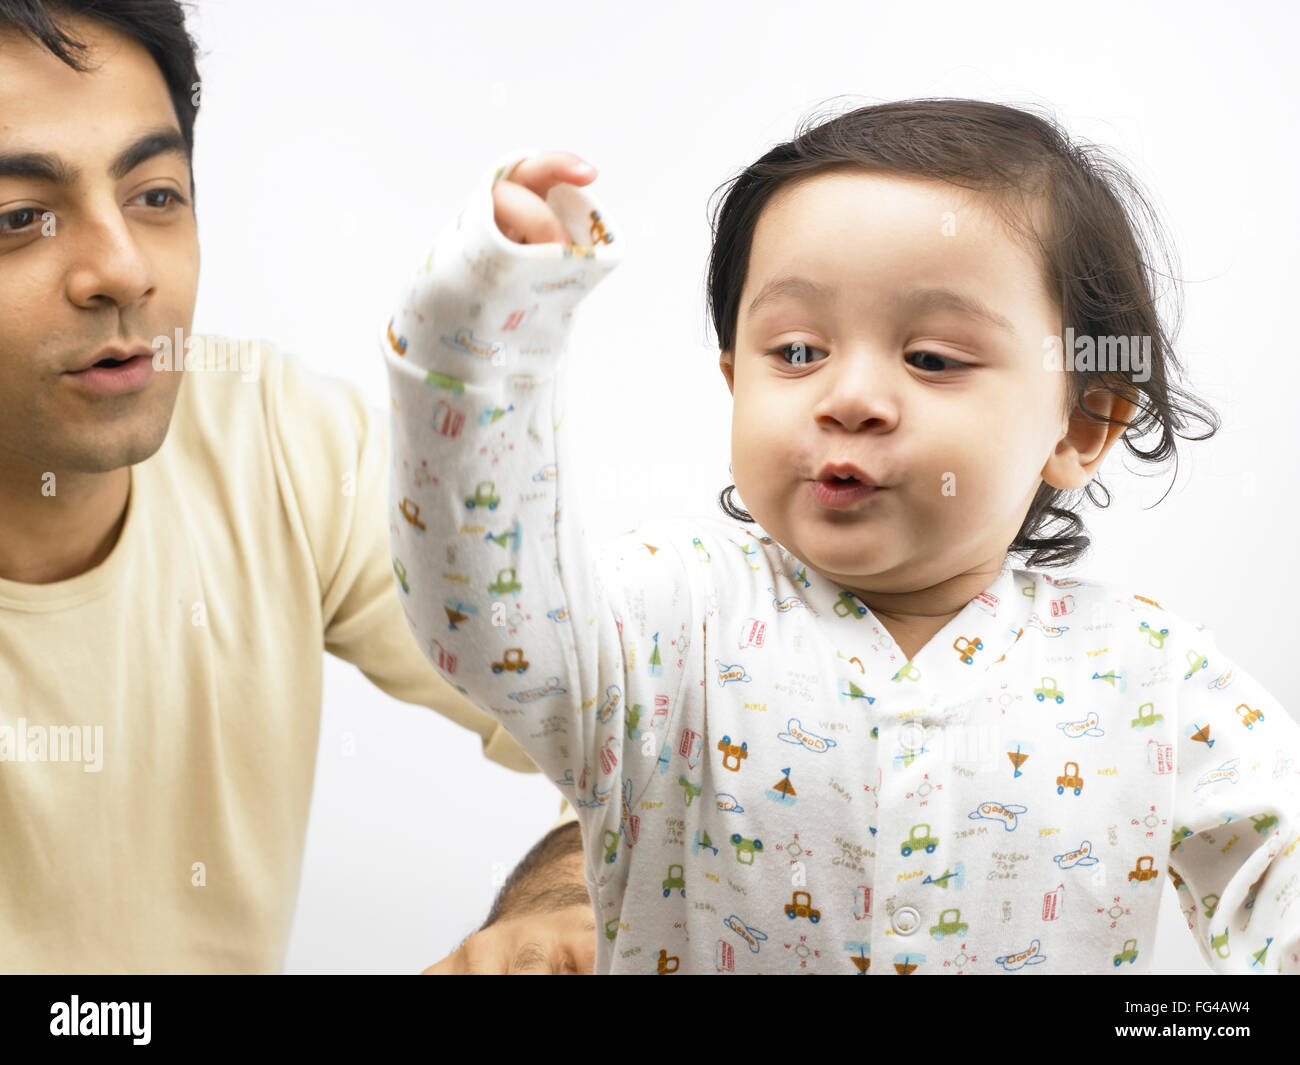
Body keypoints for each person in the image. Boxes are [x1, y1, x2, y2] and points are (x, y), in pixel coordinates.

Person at [382, 99, 1300, 973]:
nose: (849, 397)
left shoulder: (1151, 679)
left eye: (933, 358)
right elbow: (487, 612)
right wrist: (481, 331)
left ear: (1081, 424)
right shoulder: (670, 618)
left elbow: (1279, 874)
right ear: (735, 379)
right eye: (797, 352)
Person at [0, 0, 591, 974]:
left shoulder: (277, 440)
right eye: (20, 217)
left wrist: (552, 914)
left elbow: (655, 731)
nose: (123, 270)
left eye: (154, 195)